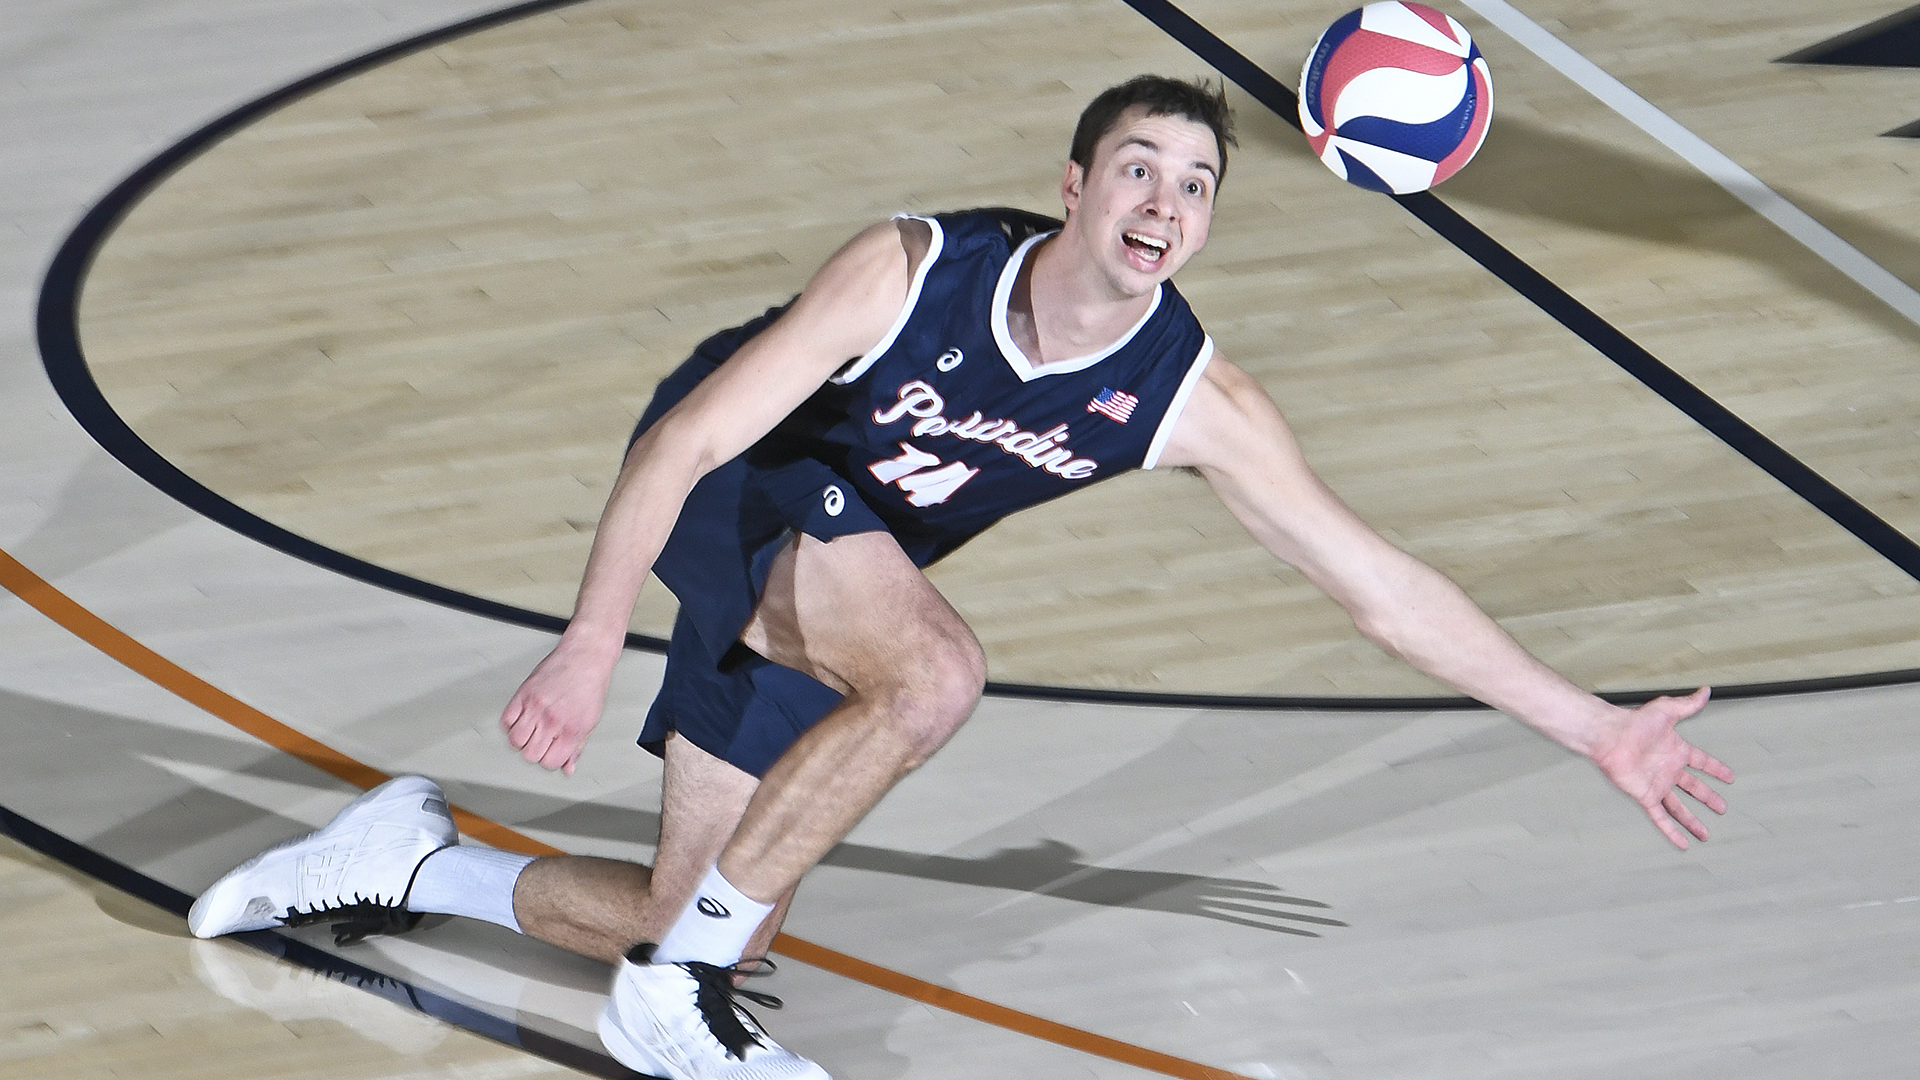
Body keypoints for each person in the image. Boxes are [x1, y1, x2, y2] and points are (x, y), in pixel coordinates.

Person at [189, 75, 1734, 1080]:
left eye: (1196, 186)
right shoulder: (915, 270)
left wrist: (1594, 726)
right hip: (743, 483)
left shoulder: (1189, 395)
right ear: (1075, 183)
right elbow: (685, 437)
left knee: (704, 911)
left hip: (846, 558)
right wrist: (592, 637)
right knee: (932, 678)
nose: (1164, 202)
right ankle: (671, 1008)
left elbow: (1379, 587)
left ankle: (409, 864)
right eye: (1139, 169)